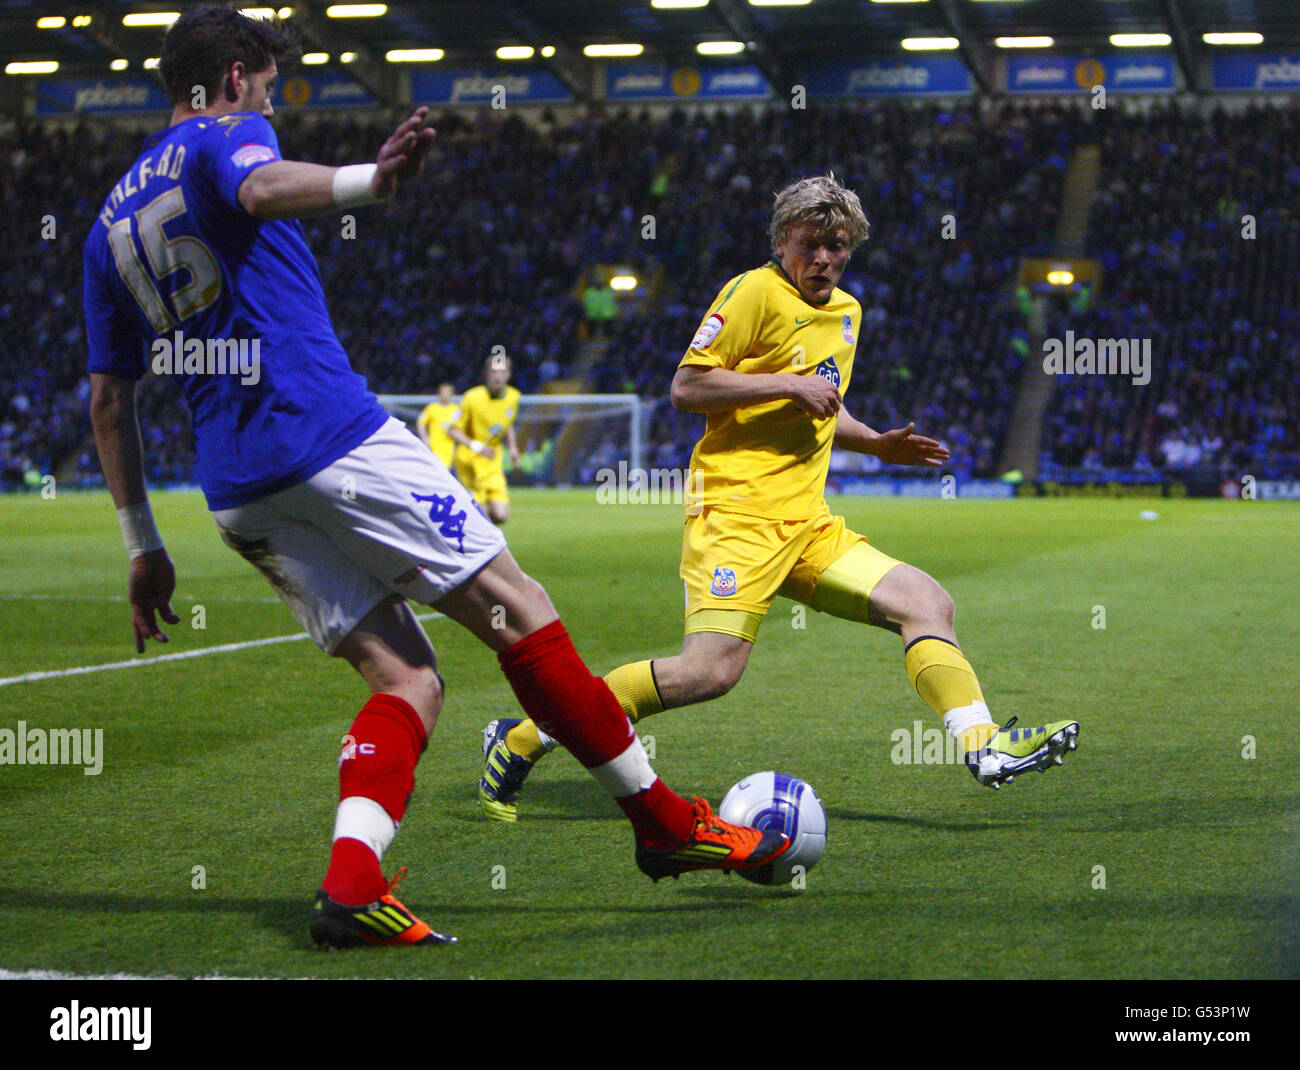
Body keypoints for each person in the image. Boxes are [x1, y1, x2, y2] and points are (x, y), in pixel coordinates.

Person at [84, 6, 788, 950]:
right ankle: (663, 824)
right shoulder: (227, 134)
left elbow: (107, 402)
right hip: (331, 440)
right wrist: (370, 180)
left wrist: (143, 546)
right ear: (234, 77)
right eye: (269, 85)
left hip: (237, 491)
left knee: (407, 680)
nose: (271, 103)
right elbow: (254, 191)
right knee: (522, 614)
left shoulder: (104, 226)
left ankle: (350, 884)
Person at [479, 174, 1079, 821]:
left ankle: (983, 746)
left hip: (809, 523)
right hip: (736, 517)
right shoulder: (752, 293)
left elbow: (823, 404)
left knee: (926, 601)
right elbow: (688, 387)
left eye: (839, 246)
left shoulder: (846, 313)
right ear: (783, 240)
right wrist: (786, 386)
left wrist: (876, 443)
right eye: (812, 243)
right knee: (709, 674)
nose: (825, 258)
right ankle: (520, 738)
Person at [448, 353, 520, 525]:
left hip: (493, 459)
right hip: (470, 460)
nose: (498, 376)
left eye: (502, 372)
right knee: (482, 517)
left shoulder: (514, 397)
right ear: (486, 375)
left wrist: (512, 447)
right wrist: (477, 446)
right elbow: (452, 430)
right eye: (493, 372)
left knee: (501, 515)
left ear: (509, 375)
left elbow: (507, 422)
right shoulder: (472, 398)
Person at [415, 382, 459, 469]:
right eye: (443, 392)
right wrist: (425, 438)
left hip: (449, 448)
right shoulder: (432, 408)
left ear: (451, 394)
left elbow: (460, 428)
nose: (445, 394)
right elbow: (421, 422)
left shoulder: (456, 410)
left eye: (447, 392)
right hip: (434, 447)